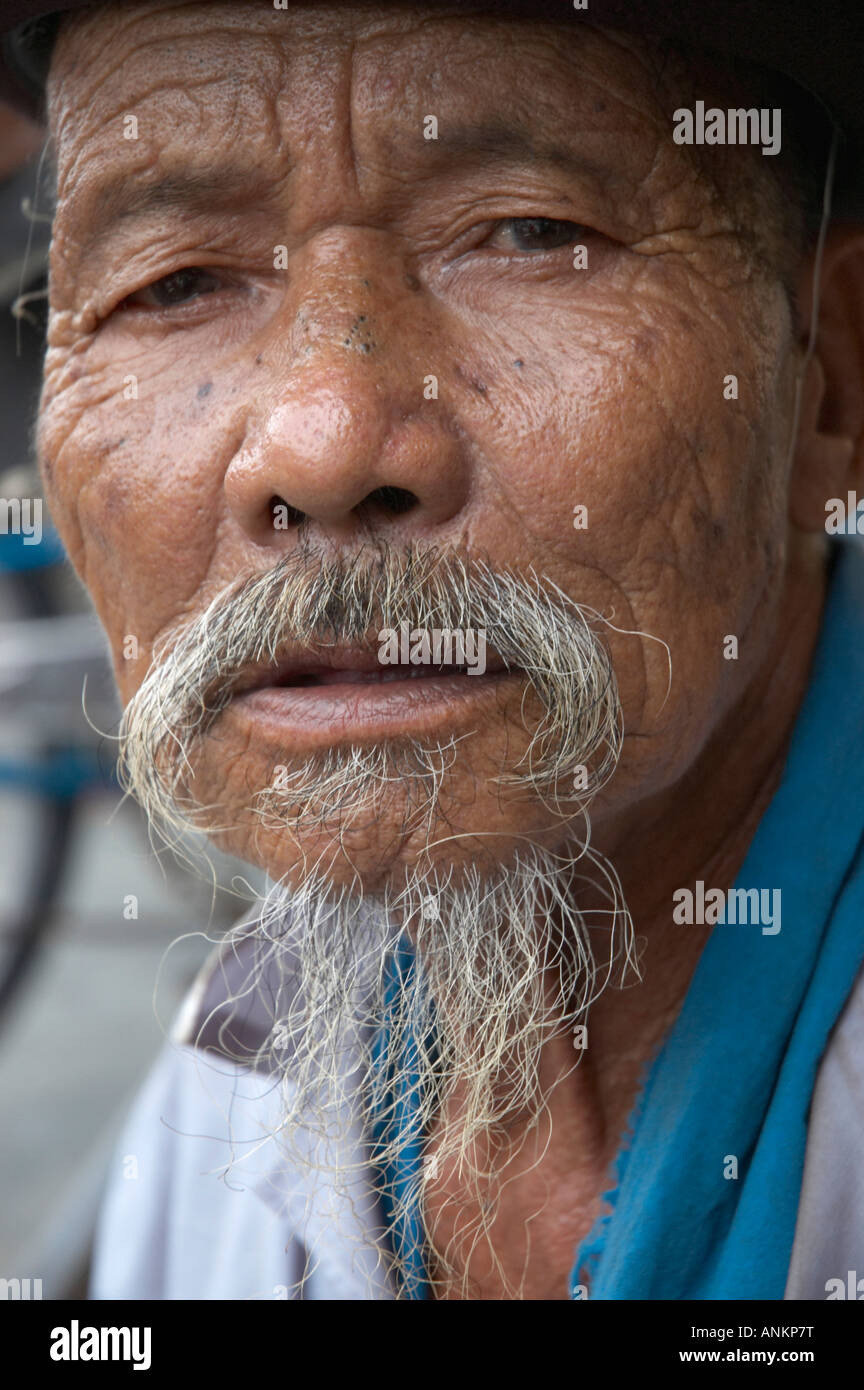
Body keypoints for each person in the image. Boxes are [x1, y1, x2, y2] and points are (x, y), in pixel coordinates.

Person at [2, 0, 864, 1300]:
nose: (327, 447)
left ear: (831, 381)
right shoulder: (237, 1062)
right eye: (173, 282)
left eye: (531, 235)